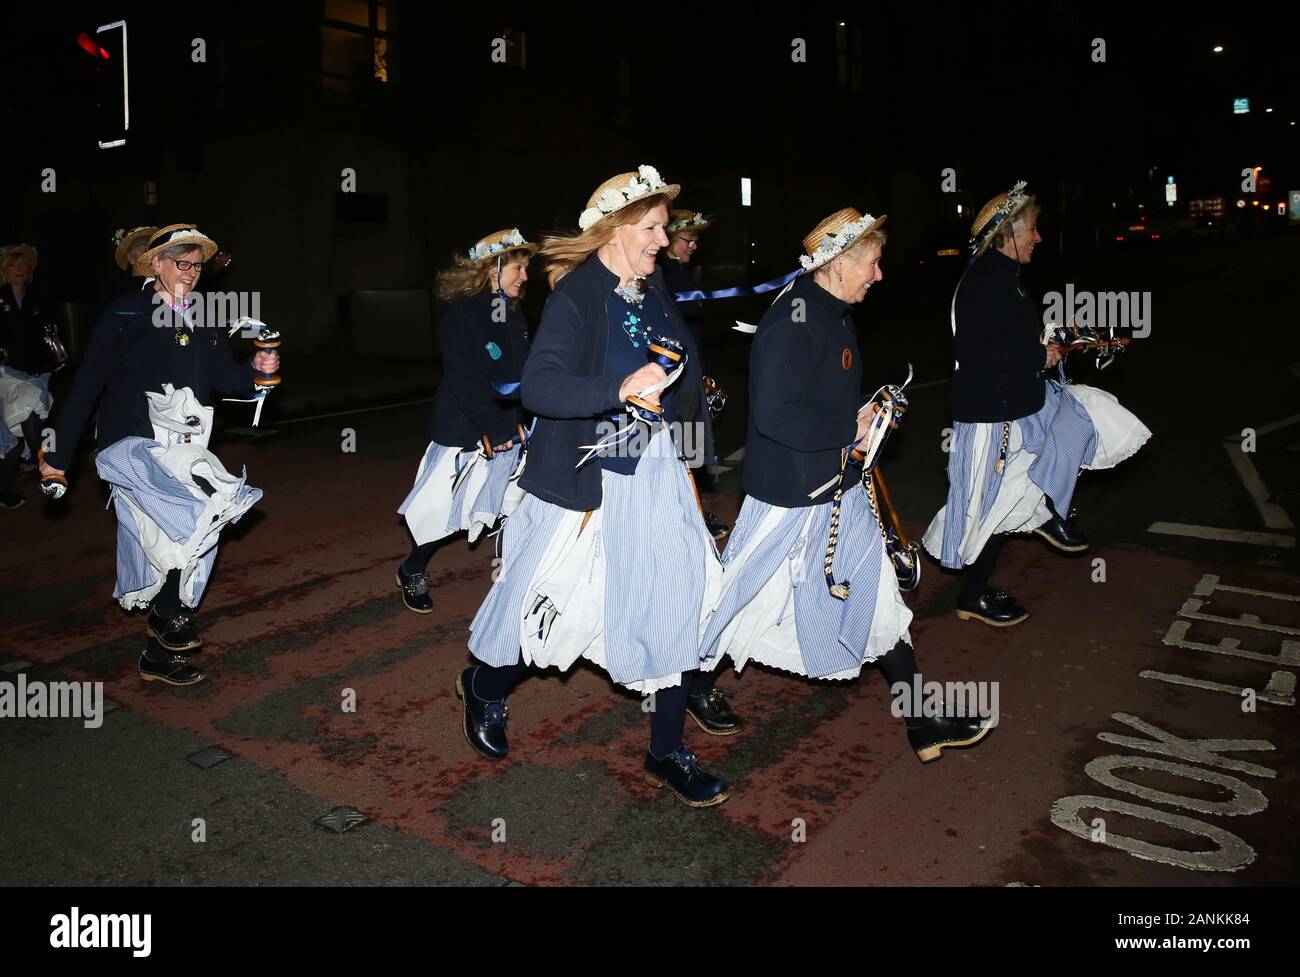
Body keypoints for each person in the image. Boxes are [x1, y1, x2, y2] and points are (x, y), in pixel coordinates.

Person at [459, 166, 732, 807]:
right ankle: (487, 686)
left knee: (674, 599)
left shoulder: (651, 285)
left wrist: (693, 429)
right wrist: (618, 389)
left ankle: (666, 750)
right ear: (614, 231)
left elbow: (676, 362)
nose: (665, 240)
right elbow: (540, 388)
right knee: (553, 618)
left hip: (652, 473)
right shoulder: (576, 296)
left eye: (665, 228)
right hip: (585, 482)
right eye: (654, 227)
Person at [699, 207, 996, 763]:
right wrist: (849, 426)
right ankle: (684, 689)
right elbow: (773, 417)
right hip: (789, 495)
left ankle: (922, 722)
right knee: (739, 601)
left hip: (835, 485)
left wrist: (866, 418)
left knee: (879, 595)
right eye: (873, 263)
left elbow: (822, 401)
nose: (879, 275)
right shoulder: (791, 322)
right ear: (838, 263)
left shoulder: (834, 311)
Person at [38, 224, 276, 686]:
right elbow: (86, 387)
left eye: (197, 265)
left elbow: (228, 382)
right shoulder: (126, 313)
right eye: (181, 263)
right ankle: (169, 615)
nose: (190, 273)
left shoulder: (205, 318)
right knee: (191, 518)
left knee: (178, 545)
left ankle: (158, 652)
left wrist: (258, 370)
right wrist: (58, 455)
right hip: (132, 446)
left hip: (186, 450)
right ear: (157, 265)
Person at [921, 182, 1151, 626]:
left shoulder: (1005, 278)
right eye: (1034, 231)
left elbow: (1003, 339)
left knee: (1078, 422)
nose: (1039, 238)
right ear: (1008, 234)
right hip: (993, 414)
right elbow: (974, 350)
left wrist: (1055, 339)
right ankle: (976, 591)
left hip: (1018, 403)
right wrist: (1035, 354)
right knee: (988, 511)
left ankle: (1045, 513)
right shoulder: (986, 281)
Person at [395, 228, 535, 613]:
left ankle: (510, 582)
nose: (525, 277)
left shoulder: (513, 312)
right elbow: (465, 380)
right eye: (518, 268)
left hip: (509, 429)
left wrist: (525, 418)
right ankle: (413, 568)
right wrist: (494, 426)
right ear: (493, 268)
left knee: (514, 506)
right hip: (464, 429)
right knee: (440, 512)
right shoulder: (462, 313)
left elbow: (524, 373)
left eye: (525, 269)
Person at [659, 209, 729, 542]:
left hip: (689, 376)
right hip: (676, 383)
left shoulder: (682, 273)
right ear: (670, 238)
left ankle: (692, 515)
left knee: (689, 452)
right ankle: (690, 519)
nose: (694, 245)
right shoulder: (664, 276)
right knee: (681, 452)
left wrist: (701, 373)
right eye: (689, 239)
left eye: (697, 240)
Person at [0, 244, 52, 509]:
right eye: (13, 265)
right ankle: (48, 468)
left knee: (18, 428)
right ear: (4, 272)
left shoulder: (38, 298)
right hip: (6, 373)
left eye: (23, 266)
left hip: (36, 372)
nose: (19, 270)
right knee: (27, 412)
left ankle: (5, 488)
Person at [105, 226, 157, 303]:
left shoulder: (166, 281)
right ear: (131, 258)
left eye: (151, 247)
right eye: (142, 247)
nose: (149, 252)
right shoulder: (120, 290)